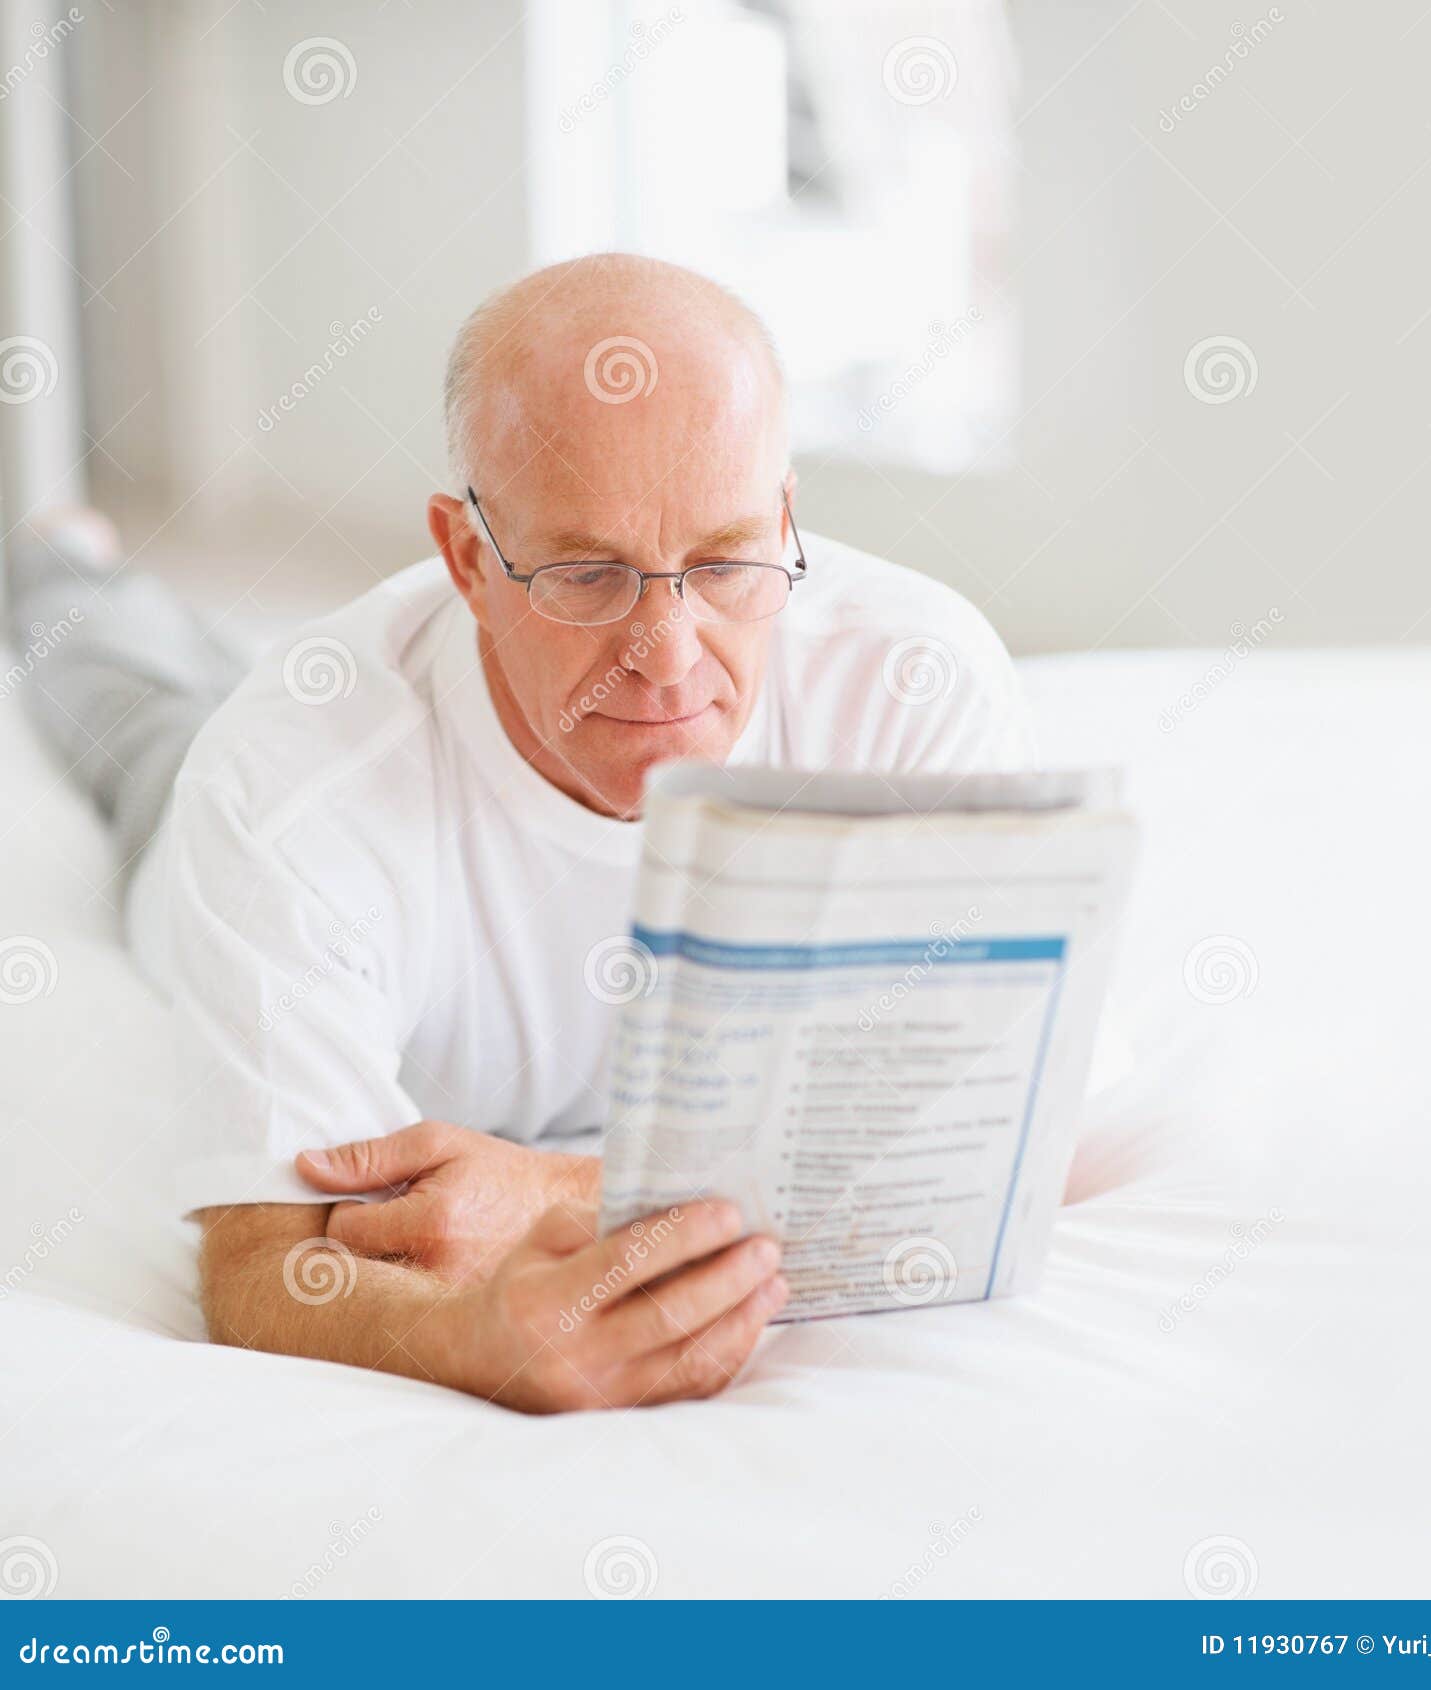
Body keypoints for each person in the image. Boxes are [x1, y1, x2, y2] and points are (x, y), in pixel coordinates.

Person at [5, 253, 1029, 1412]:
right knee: (140, 713)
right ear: (463, 561)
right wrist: (471, 1340)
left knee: (261, 688)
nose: (671, 658)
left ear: (784, 518)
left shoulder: (913, 681)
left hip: (358, 696)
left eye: (722, 561)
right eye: (589, 575)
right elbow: (261, 1264)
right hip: (190, 816)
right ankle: (64, 571)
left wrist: (560, 1191)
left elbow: (980, 1119)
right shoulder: (279, 789)